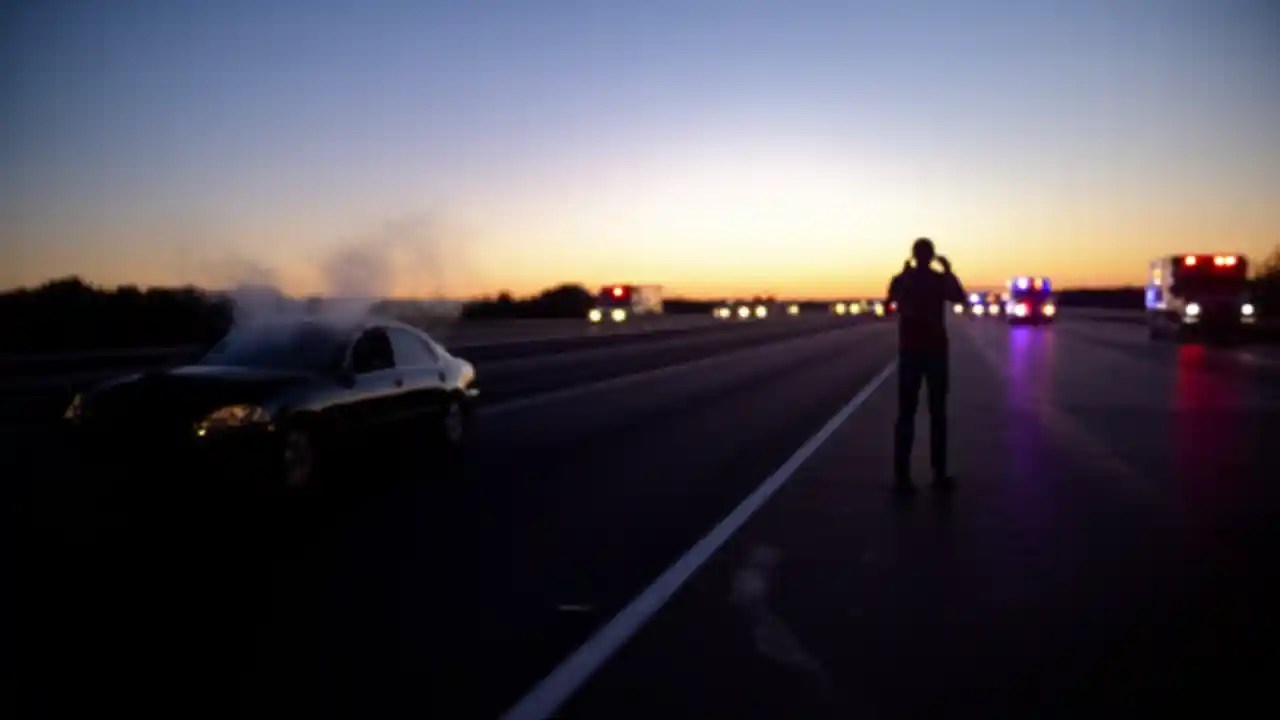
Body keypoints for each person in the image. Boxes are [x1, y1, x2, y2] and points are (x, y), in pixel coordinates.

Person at [887, 238, 966, 493]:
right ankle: (938, 474)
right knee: (937, 415)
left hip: (913, 351)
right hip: (933, 352)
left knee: (907, 415)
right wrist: (948, 272)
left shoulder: (904, 279)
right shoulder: (937, 280)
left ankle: (902, 477)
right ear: (931, 256)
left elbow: (890, 304)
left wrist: (903, 278)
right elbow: (959, 298)